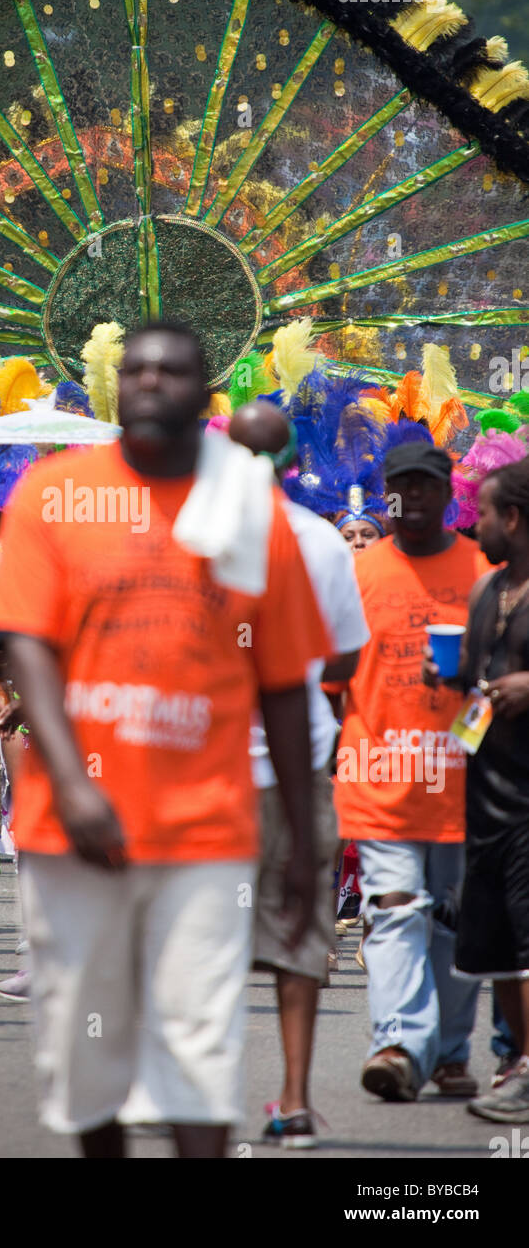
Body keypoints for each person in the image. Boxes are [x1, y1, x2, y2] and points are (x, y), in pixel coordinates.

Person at [0, 319, 331, 1159]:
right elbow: (26, 641)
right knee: (84, 1049)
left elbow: (283, 686)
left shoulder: (249, 510)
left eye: (170, 371)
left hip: (206, 828)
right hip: (75, 832)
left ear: (205, 392)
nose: (147, 382)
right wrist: (70, 782)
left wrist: (305, 853)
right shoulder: (54, 493)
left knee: (198, 1045)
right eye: (134, 368)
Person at [232, 402, 369, 1149]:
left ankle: (200, 1096)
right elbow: (348, 656)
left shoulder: (194, 537)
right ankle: (293, 1100)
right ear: (293, 461)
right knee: (300, 938)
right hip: (299, 764)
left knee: (203, 940)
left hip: (210, 769)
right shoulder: (321, 541)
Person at [336, 440, 490, 1103]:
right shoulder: (356, 574)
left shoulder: (485, 571)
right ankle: (398, 1045)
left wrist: (471, 695)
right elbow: (327, 676)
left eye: (428, 485)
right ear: (387, 493)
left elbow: (504, 684)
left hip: (464, 786)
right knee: (395, 913)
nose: (415, 497)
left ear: (450, 491)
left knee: (454, 922)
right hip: (380, 778)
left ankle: (451, 1054)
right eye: (402, 486)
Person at [423, 458, 529, 1121]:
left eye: (484, 512)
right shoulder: (487, 589)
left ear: (513, 518)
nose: (474, 521)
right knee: (497, 949)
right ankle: (518, 1061)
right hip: (484, 793)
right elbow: (475, 676)